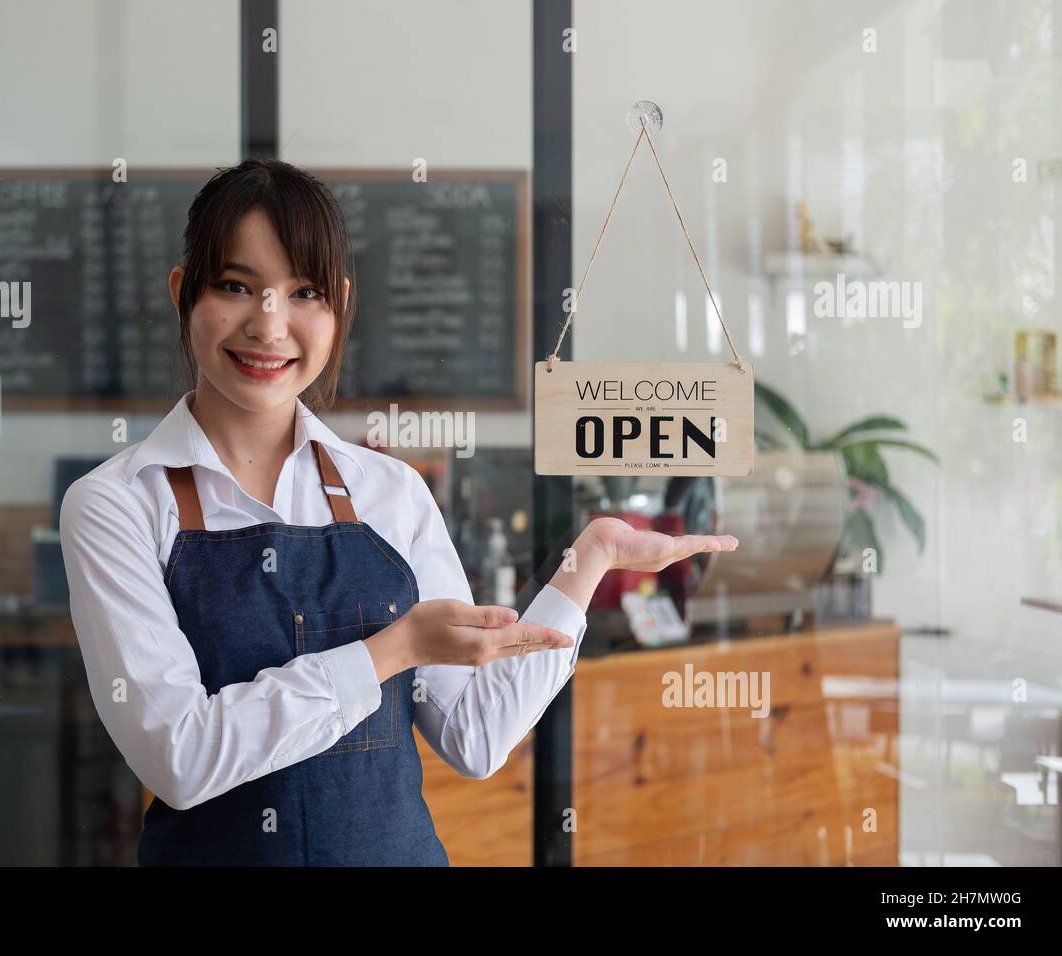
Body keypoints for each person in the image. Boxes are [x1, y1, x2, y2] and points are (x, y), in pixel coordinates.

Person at [58, 158, 738, 866]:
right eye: (236, 286)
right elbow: (181, 757)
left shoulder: (391, 492)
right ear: (182, 295)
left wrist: (589, 558)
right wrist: (393, 649)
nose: (269, 323)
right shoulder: (116, 505)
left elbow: (476, 735)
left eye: (304, 292)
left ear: (339, 307)